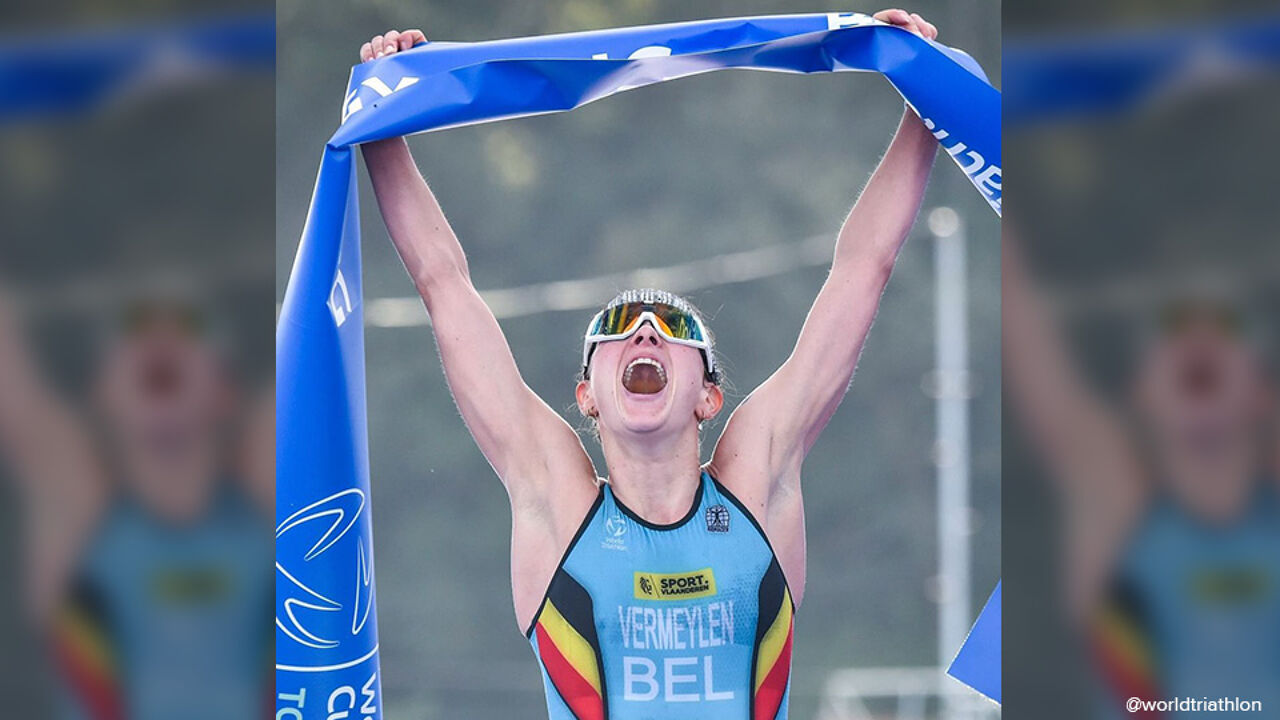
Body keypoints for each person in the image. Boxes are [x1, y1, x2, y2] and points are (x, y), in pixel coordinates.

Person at [359, 9, 939, 718]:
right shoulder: (556, 500)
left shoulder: (754, 485)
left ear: (708, 399)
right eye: (617, 328)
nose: (643, 333)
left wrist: (925, 98)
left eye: (673, 329)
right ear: (587, 396)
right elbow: (443, 284)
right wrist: (383, 121)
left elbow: (863, 269)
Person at [1002, 236, 1280, 717]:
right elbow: (1026, 332)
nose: (1199, 334)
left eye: (1227, 324)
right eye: (1173, 325)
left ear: (1261, 391)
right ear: (1141, 392)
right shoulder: (1115, 509)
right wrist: (984, 174)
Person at [0, 285, 272, 720]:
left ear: (225, 392)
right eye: (134, 325)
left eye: (189, 326)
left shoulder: (264, 505)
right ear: (101, 392)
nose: (160, 336)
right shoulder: (78, 514)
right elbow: (15, 393)